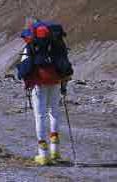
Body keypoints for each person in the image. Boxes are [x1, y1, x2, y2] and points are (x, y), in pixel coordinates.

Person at [18, 19, 72, 166]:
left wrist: (24, 81)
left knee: (40, 116)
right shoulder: (56, 44)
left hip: (38, 85)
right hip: (55, 81)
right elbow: (64, 64)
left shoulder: (32, 45)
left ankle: (43, 154)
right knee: (54, 112)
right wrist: (64, 85)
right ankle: (55, 150)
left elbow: (24, 68)